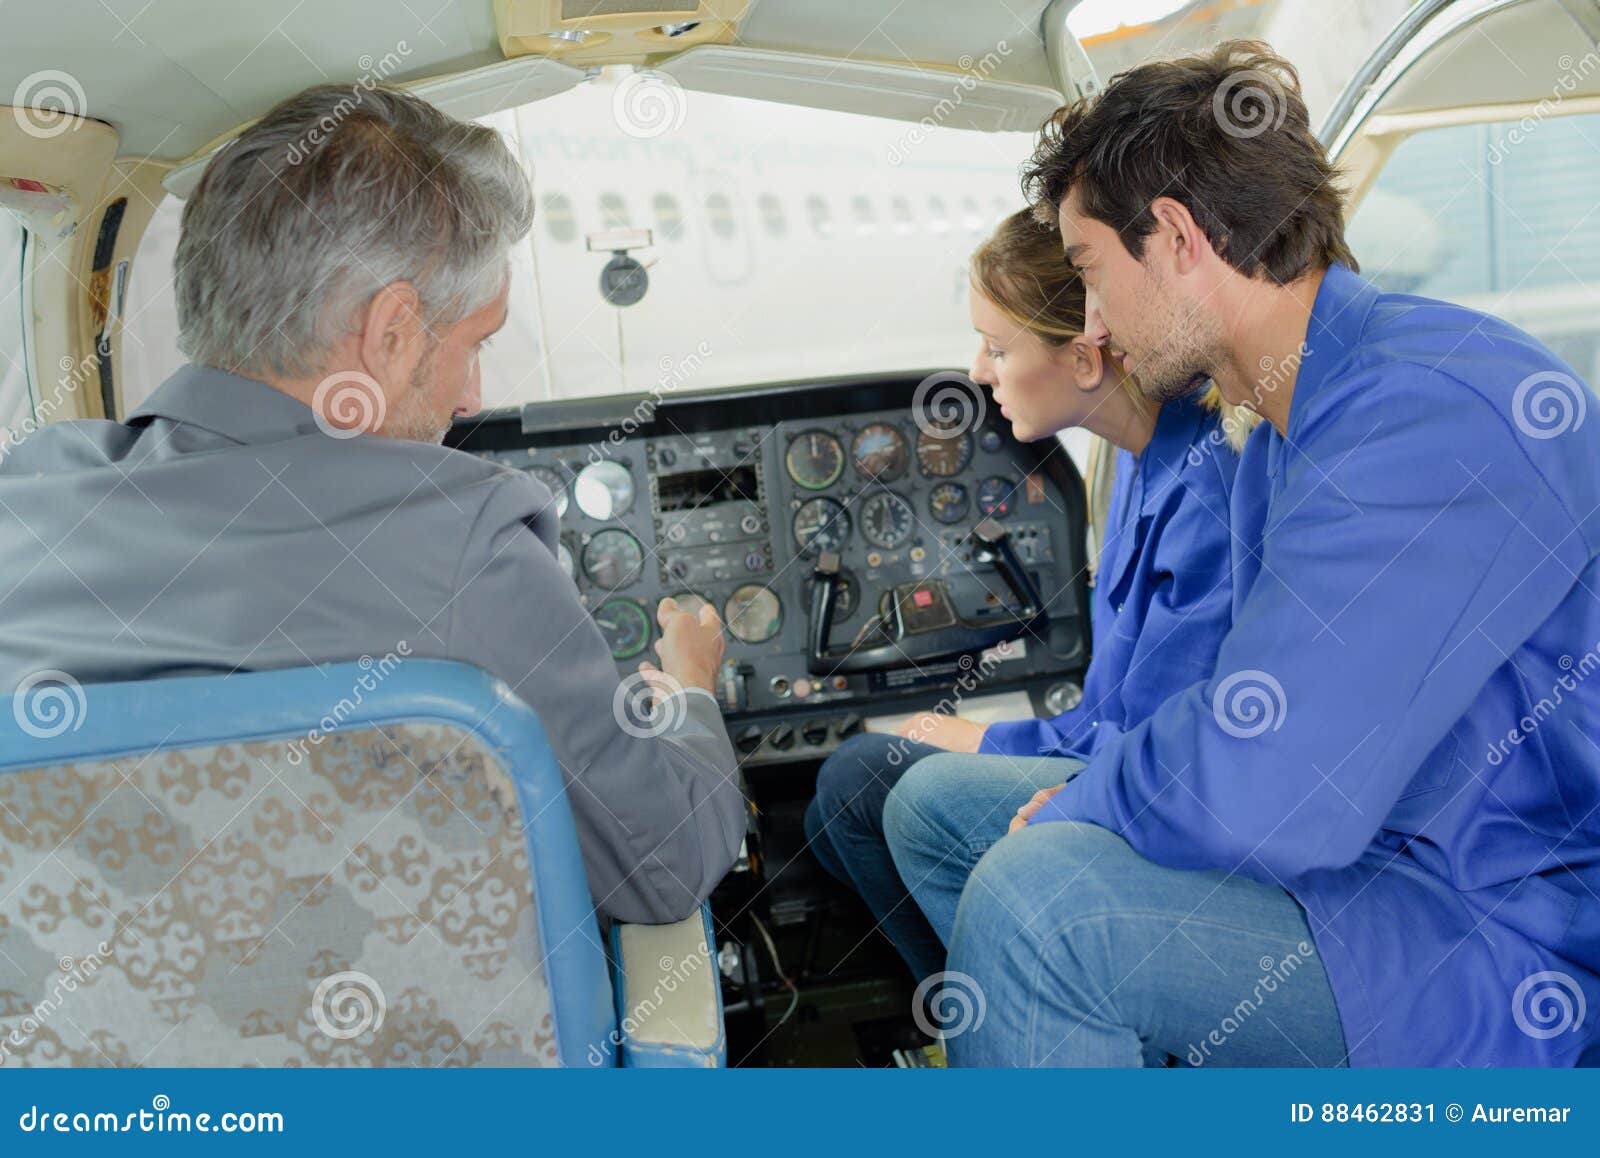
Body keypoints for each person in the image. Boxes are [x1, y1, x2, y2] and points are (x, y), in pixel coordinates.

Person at [886, 40, 1600, 1067]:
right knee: (946, 819)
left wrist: (1089, 796)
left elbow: (1276, 784)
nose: (1090, 322)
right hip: (1376, 868)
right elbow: (1240, 709)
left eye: (1089, 272)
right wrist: (1096, 792)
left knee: (1048, 911)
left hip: (1507, 937)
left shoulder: (1427, 412)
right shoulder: (1278, 425)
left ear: (1174, 238)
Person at [0, 85, 744, 926]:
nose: (471, 397)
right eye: (475, 344)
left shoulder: (26, 495)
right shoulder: (466, 545)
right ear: (390, 332)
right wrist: (688, 690)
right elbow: (662, 865)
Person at [804, 208, 1252, 983]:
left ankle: (994, 1016)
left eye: (998, 347)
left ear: (1083, 358)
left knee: (859, 784)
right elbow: (1111, 711)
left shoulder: (1202, 487)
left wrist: (990, 742)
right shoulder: (1144, 459)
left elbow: (1155, 744)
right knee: (833, 802)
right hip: (1126, 759)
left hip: (1166, 797)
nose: (977, 371)